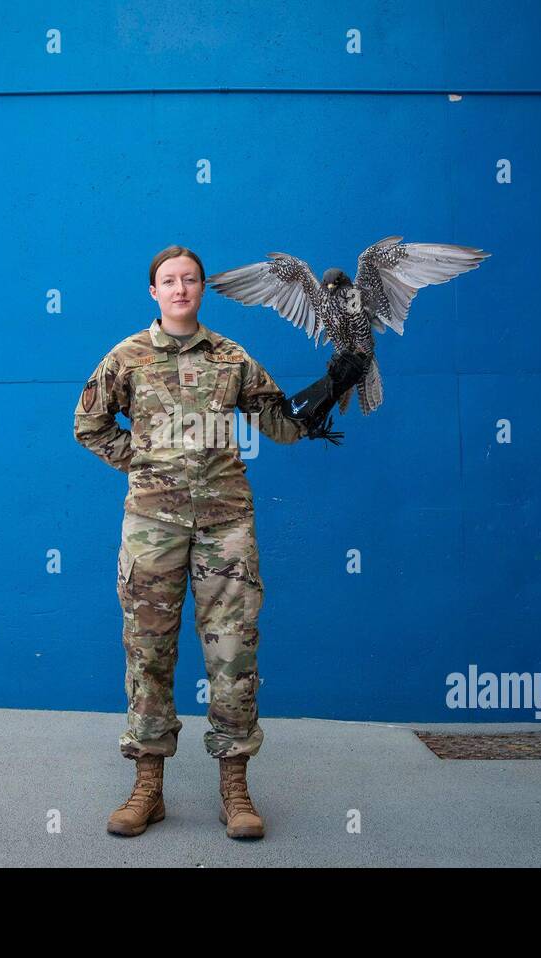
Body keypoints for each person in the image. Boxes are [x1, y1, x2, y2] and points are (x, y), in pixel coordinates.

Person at [73, 245, 367, 840]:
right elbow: (89, 424)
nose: (180, 288)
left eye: (190, 280)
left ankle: (235, 788)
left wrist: (332, 387)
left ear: (202, 289)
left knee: (234, 656)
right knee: (148, 651)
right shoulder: (126, 357)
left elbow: (282, 426)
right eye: (168, 281)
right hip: (152, 530)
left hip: (225, 526)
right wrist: (145, 465)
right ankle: (147, 787)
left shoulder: (232, 358)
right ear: (153, 292)